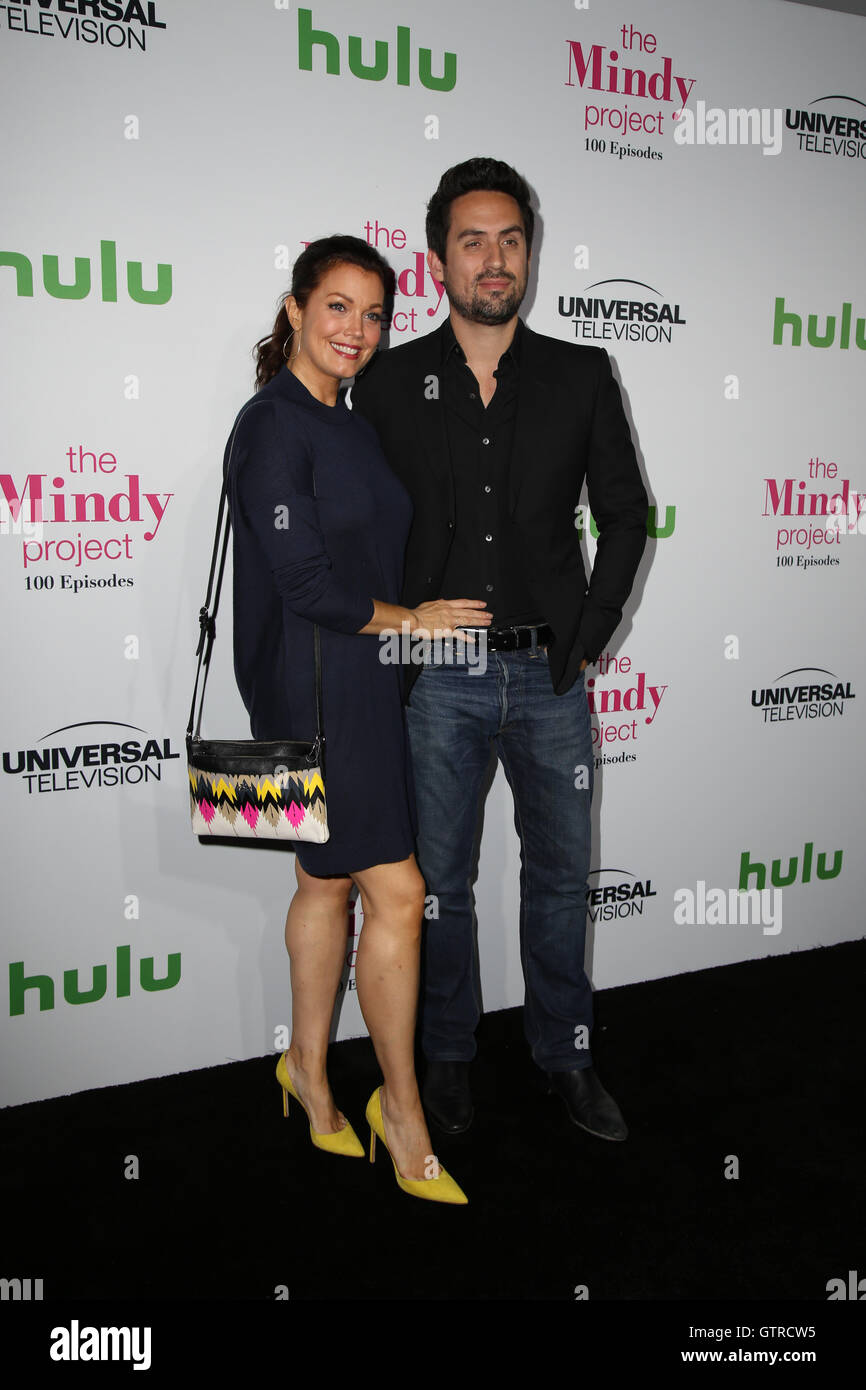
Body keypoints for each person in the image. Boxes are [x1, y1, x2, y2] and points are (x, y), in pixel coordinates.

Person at [352, 160, 648, 1141]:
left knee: (562, 877)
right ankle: (445, 1057)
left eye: (509, 238)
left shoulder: (579, 373)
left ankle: (563, 1052)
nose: (493, 257)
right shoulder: (389, 381)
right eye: (472, 240)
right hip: (436, 679)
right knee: (439, 887)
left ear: (530, 251)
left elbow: (624, 513)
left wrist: (588, 638)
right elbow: (356, 523)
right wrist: (392, 624)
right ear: (438, 260)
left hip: (551, 677)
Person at [226, 236, 488, 1203]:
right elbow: (302, 580)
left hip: (364, 678)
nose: (358, 331)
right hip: (314, 687)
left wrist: (413, 626)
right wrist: (411, 622)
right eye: (337, 308)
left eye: (374, 314)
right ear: (294, 310)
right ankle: (404, 1114)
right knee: (402, 892)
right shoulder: (271, 424)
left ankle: (307, 1071)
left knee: (326, 886)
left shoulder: (352, 422)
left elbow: (371, 557)